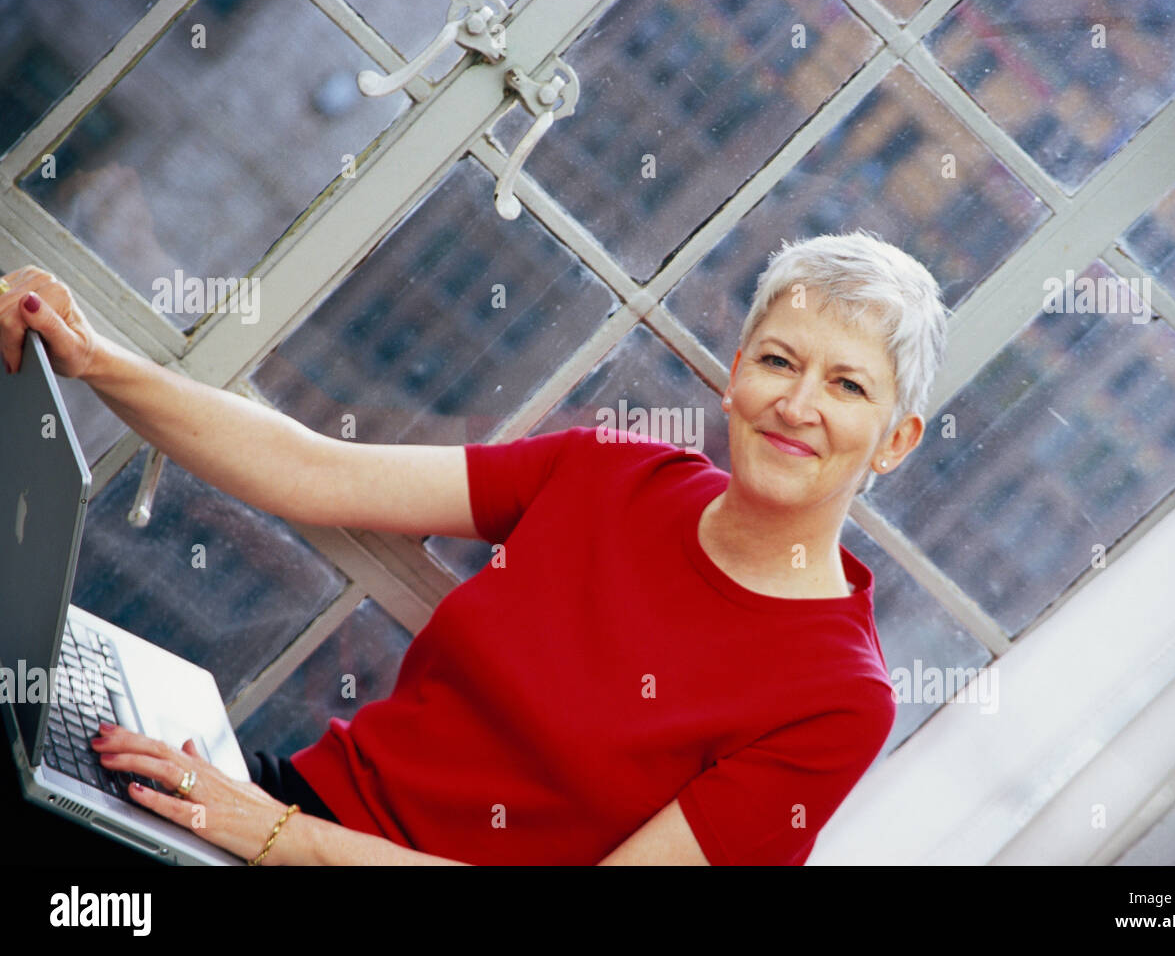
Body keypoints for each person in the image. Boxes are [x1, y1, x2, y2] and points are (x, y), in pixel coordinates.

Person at [0, 229, 948, 865]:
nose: (798, 403)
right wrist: (90, 358)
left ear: (897, 442)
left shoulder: (838, 699)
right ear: (738, 376)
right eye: (779, 361)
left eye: (849, 387)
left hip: (281, 834)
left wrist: (276, 835)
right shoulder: (611, 474)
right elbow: (314, 473)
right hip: (275, 809)